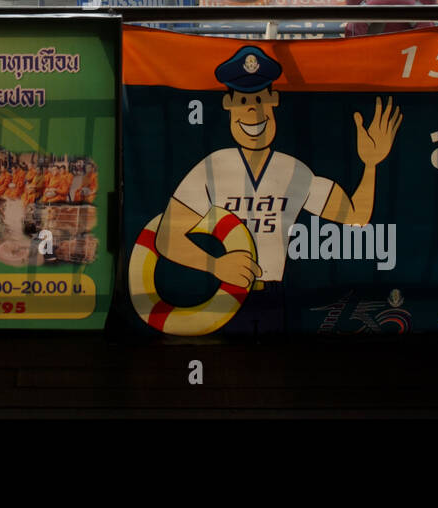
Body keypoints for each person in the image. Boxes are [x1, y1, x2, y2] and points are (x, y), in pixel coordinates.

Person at [151, 45, 401, 332]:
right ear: (228, 104)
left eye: (260, 99)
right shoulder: (212, 167)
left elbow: (356, 217)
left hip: (274, 295)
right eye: (243, 100)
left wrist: (370, 165)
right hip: (222, 293)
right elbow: (167, 238)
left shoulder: (294, 171)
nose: (253, 111)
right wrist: (215, 264)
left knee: (274, 371)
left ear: (273, 100)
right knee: (226, 370)